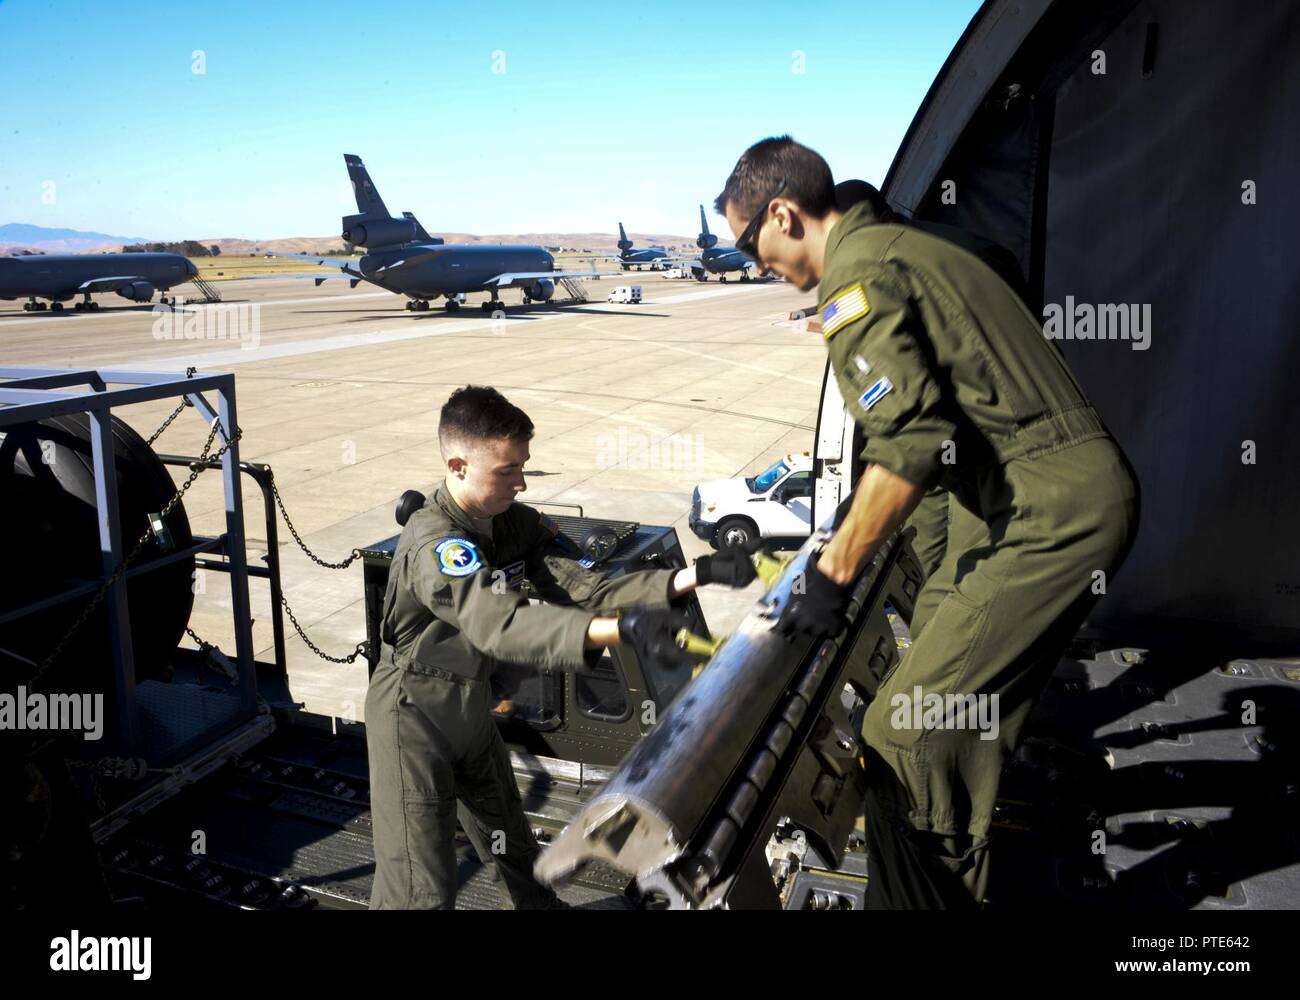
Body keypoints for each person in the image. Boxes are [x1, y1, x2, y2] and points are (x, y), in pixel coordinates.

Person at [714, 136, 1140, 908]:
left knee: (904, 737)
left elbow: (910, 440)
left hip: (1043, 507)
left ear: (783, 213)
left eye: (750, 243)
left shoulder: (856, 276)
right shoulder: (922, 240)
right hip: (1042, 489)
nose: (754, 263)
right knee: (957, 718)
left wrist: (831, 577)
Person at [365, 385, 757, 909]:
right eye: (506, 472)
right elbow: (497, 625)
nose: (521, 482)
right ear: (458, 466)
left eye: (523, 466)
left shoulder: (509, 525)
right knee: (419, 889)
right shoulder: (437, 545)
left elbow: (585, 587)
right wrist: (619, 632)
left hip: (470, 707)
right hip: (413, 718)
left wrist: (689, 577)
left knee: (518, 853)